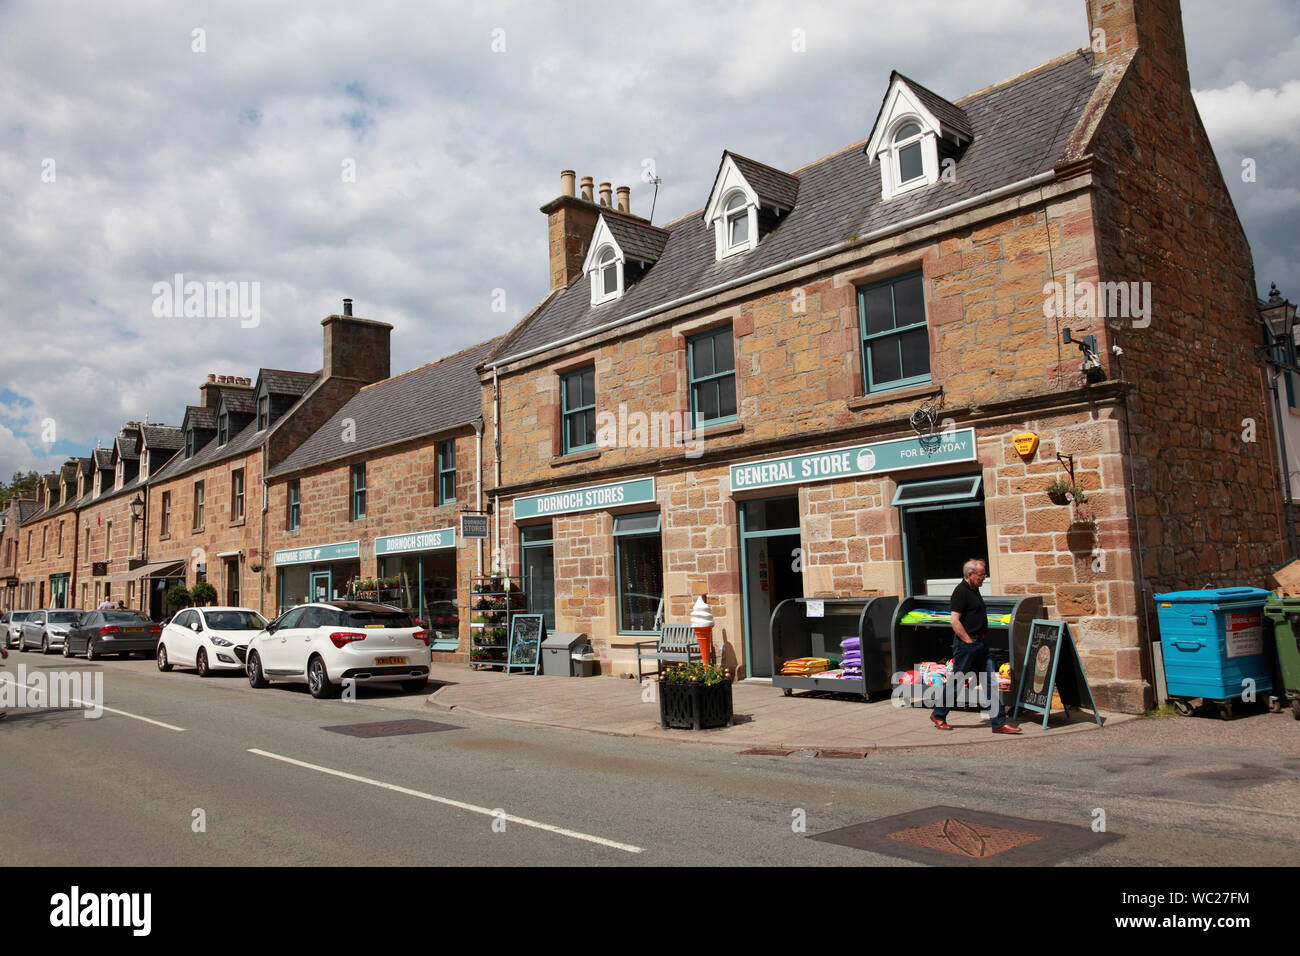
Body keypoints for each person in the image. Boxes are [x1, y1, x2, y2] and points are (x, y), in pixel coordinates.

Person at [929, 558, 1021, 734]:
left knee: (990, 684)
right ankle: (939, 715)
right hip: (967, 644)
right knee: (957, 682)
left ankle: (999, 723)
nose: (984, 578)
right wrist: (968, 641)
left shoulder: (974, 589)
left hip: (981, 644)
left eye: (984, 575)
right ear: (969, 575)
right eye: (981, 575)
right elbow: (954, 621)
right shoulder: (960, 592)